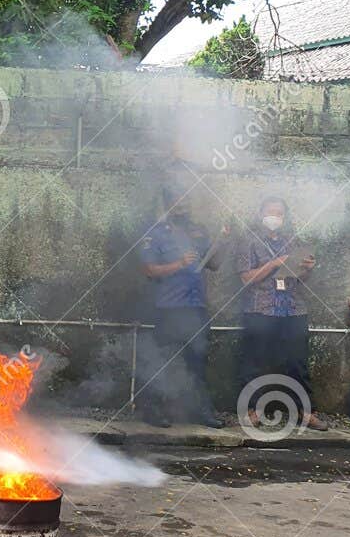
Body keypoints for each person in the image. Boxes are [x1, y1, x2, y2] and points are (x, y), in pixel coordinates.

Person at [236, 195, 326, 431]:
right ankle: (252, 410)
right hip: (261, 307)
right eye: (270, 212)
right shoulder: (249, 241)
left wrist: (306, 269)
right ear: (260, 213)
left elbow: (299, 278)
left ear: (285, 218)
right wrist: (274, 264)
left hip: (293, 308)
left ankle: (305, 413)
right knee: (255, 360)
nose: (274, 217)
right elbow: (246, 278)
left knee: (298, 361)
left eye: (279, 213)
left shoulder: (293, 241)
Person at [138, 183, 222, 427]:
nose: (182, 204)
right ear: (168, 203)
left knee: (198, 360)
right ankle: (153, 411)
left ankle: (200, 412)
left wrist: (223, 242)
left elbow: (213, 264)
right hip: (168, 308)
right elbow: (149, 270)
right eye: (177, 199)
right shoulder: (155, 232)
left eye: (186, 200)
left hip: (196, 308)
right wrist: (180, 263)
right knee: (160, 360)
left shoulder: (198, 230)